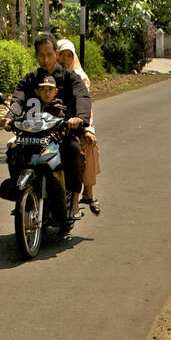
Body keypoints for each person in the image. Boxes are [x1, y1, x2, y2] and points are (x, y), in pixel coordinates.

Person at [5, 33, 90, 220]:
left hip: (61, 133)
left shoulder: (70, 77)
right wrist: (10, 116)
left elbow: (83, 97)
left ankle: (74, 202)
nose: (45, 59)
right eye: (41, 55)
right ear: (36, 56)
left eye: (49, 54)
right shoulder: (30, 79)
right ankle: (20, 195)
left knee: (74, 150)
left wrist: (79, 118)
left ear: (56, 54)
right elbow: (17, 99)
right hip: (32, 133)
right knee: (13, 149)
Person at [56, 38, 101, 215]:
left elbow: (85, 105)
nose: (66, 59)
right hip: (50, 123)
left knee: (88, 146)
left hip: (76, 123)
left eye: (70, 56)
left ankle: (87, 192)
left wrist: (86, 127)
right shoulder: (49, 75)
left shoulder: (79, 78)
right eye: (62, 55)